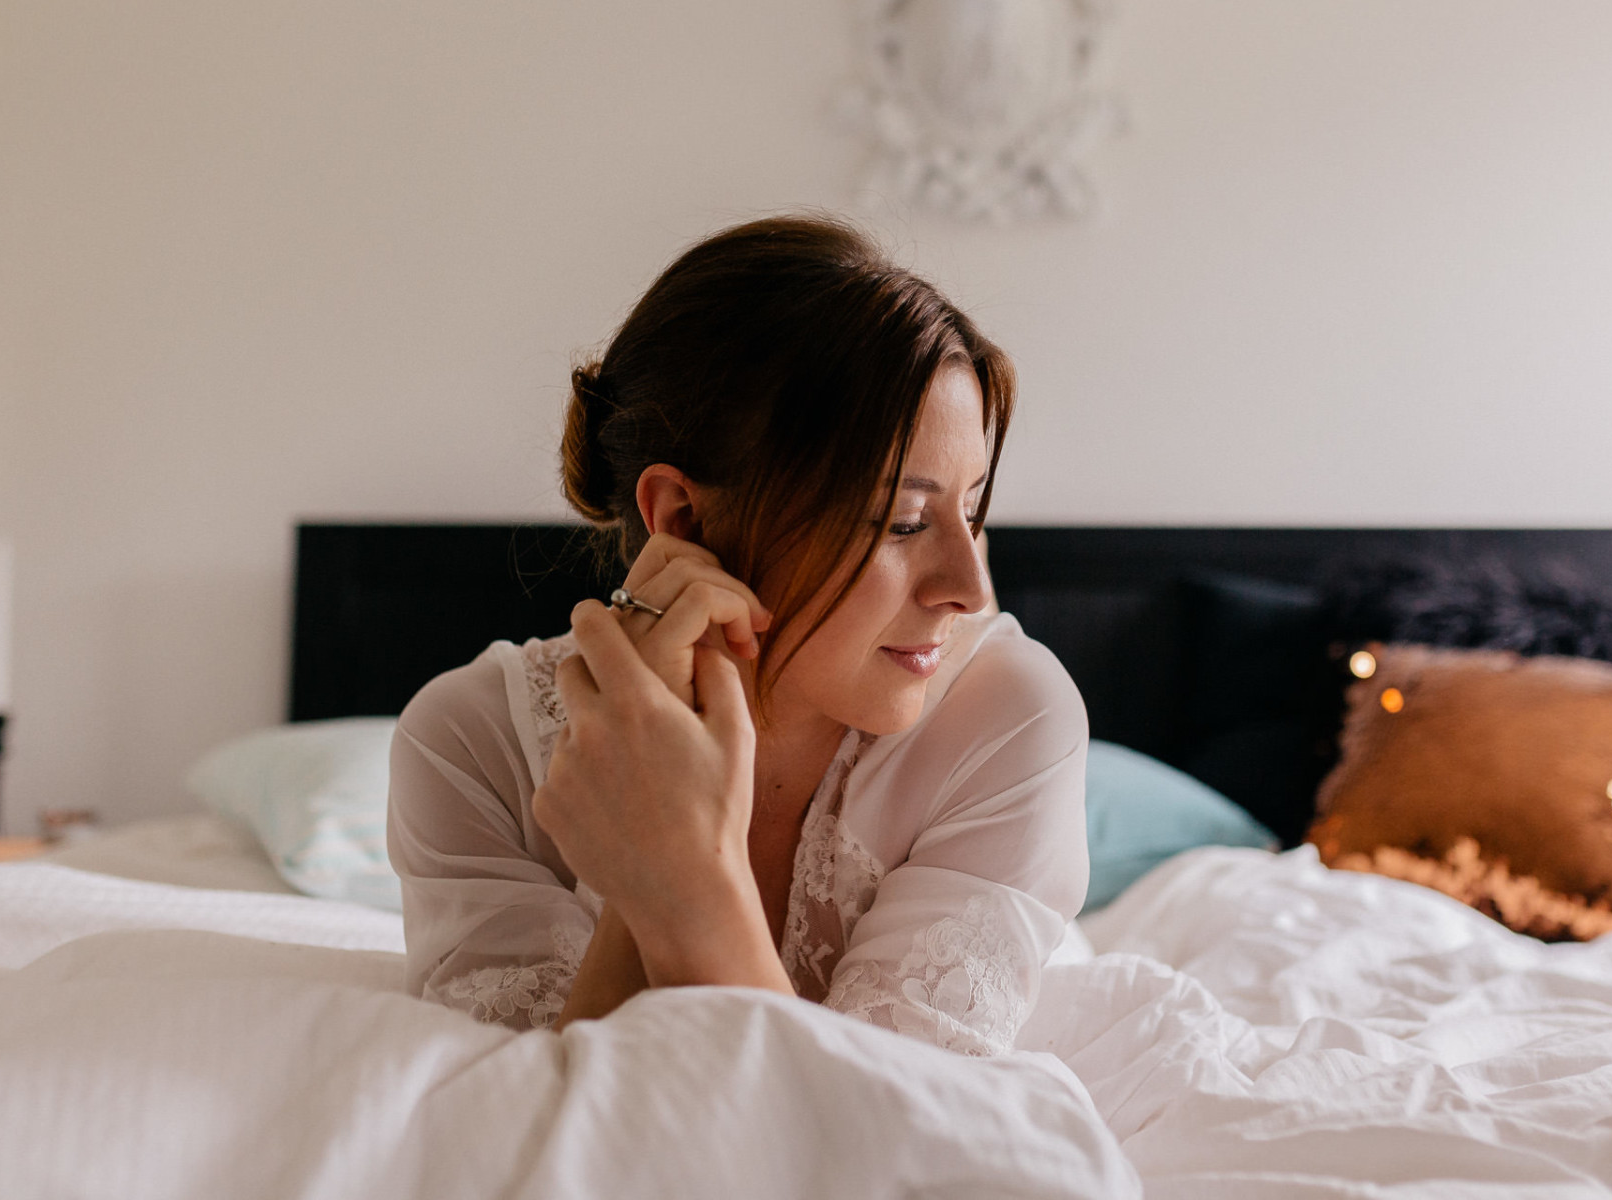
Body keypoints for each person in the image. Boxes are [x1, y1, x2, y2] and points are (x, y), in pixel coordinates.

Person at [388, 215, 1088, 1055]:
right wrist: (649, 811)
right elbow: (542, 1133)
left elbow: (882, 1139)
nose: (970, 590)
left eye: (970, 512)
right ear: (681, 517)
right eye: (901, 522)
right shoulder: (472, 748)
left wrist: (681, 874)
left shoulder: (1006, 716)